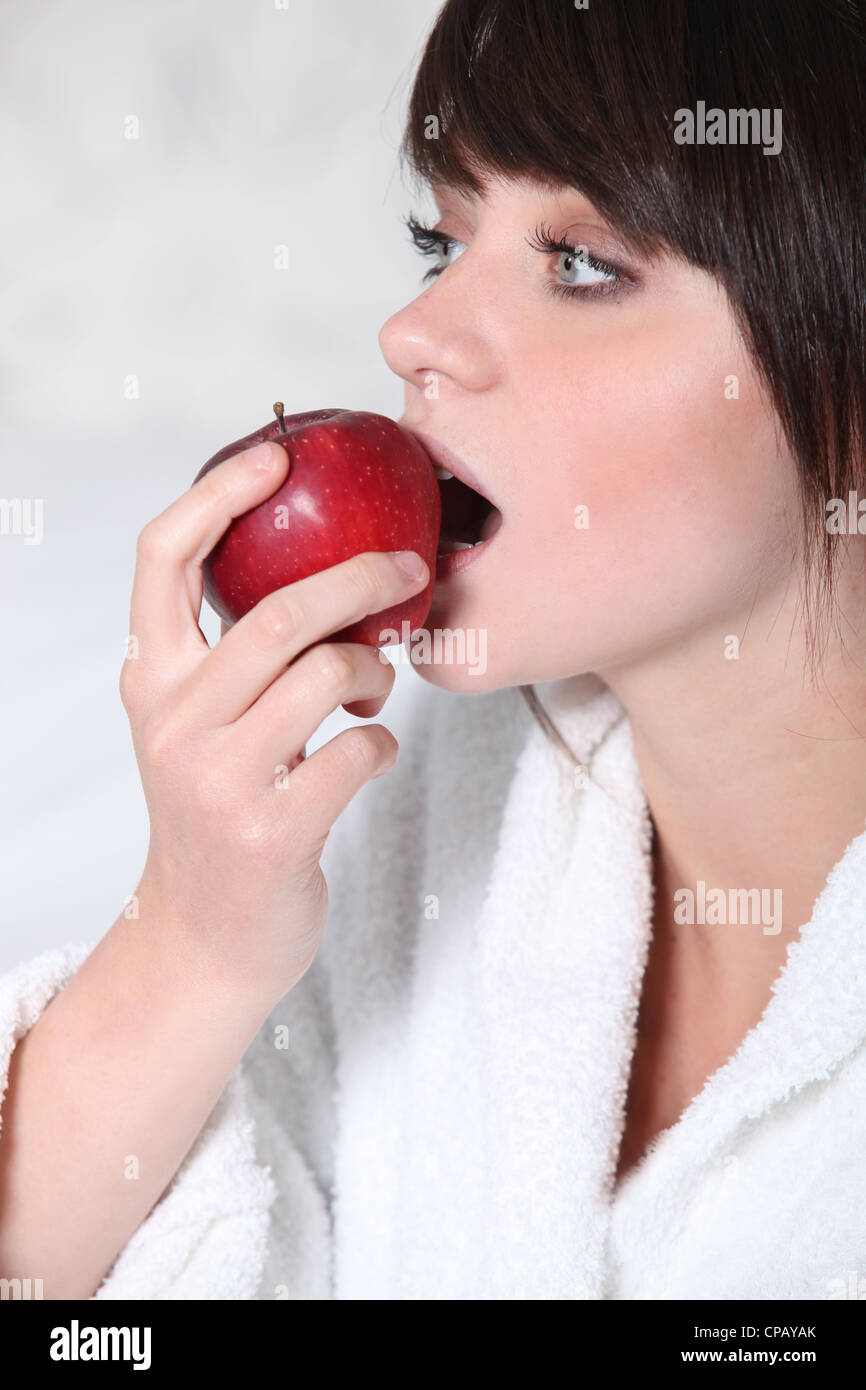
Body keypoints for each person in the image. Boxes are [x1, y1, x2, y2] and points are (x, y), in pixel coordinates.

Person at [1, 0, 864, 1300]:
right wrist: (192, 938)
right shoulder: (435, 810)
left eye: (579, 261)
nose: (414, 336)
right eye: (441, 240)